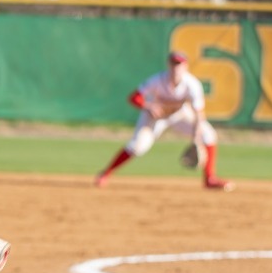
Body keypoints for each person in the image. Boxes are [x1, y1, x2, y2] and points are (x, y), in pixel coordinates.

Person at [94, 49, 232, 191]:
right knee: (137, 147)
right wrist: (148, 106)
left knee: (208, 135)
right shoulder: (157, 80)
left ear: (186, 67)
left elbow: (198, 113)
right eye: (173, 63)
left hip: (180, 115)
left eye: (179, 64)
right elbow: (134, 97)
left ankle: (209, 178)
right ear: (168, 65)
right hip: (155, 117)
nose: (176, 67)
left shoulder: (192, 84)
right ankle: (105, 173)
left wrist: (196, 138)